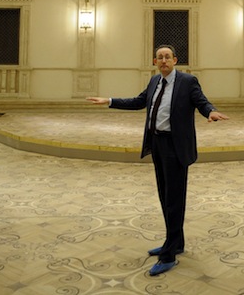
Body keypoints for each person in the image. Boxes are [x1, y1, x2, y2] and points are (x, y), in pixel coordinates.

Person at [87, 45, 228, 277]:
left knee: (174, 200)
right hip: (157, 144)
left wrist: (210, 111)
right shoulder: (154, 81)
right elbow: (138, 101)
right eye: (160, 57)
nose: (163, 60)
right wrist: (109, 100)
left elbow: (201, 102)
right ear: (155, 61)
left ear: (175, 60)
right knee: (165, 195)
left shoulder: (187, 81)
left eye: (167, 57)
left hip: (175, 147)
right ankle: (176, 242)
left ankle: (169, 255)